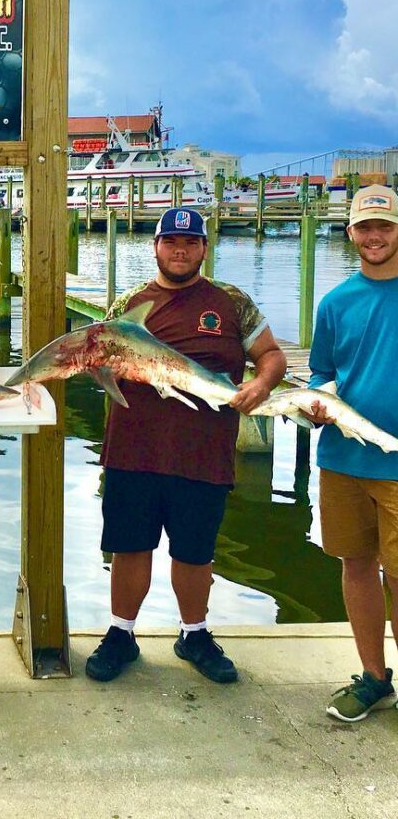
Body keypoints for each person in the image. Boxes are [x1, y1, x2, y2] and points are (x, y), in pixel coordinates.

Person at [83, 206, 286, 684]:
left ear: (204, 249)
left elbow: (272, 355)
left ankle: (194, 634)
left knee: (195, 552)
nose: (180, 250)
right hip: (134, 450)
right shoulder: (130, 303)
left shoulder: (231, 302)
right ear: (155, 246)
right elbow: (96, 360)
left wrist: (262, 385)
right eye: (171, 242)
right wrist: (104, 369)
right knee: (129, 546)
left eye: (190, 243)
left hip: (203, 454)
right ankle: (121, 633)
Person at [304, 185, 398, 722]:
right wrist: (316, 402)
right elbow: (322, 371)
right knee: (356, 565)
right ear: (350, 232)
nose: (374, 236)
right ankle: (373, 678)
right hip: (342, 458)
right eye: (365, 227)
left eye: (385, 226)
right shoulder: (335, 302)